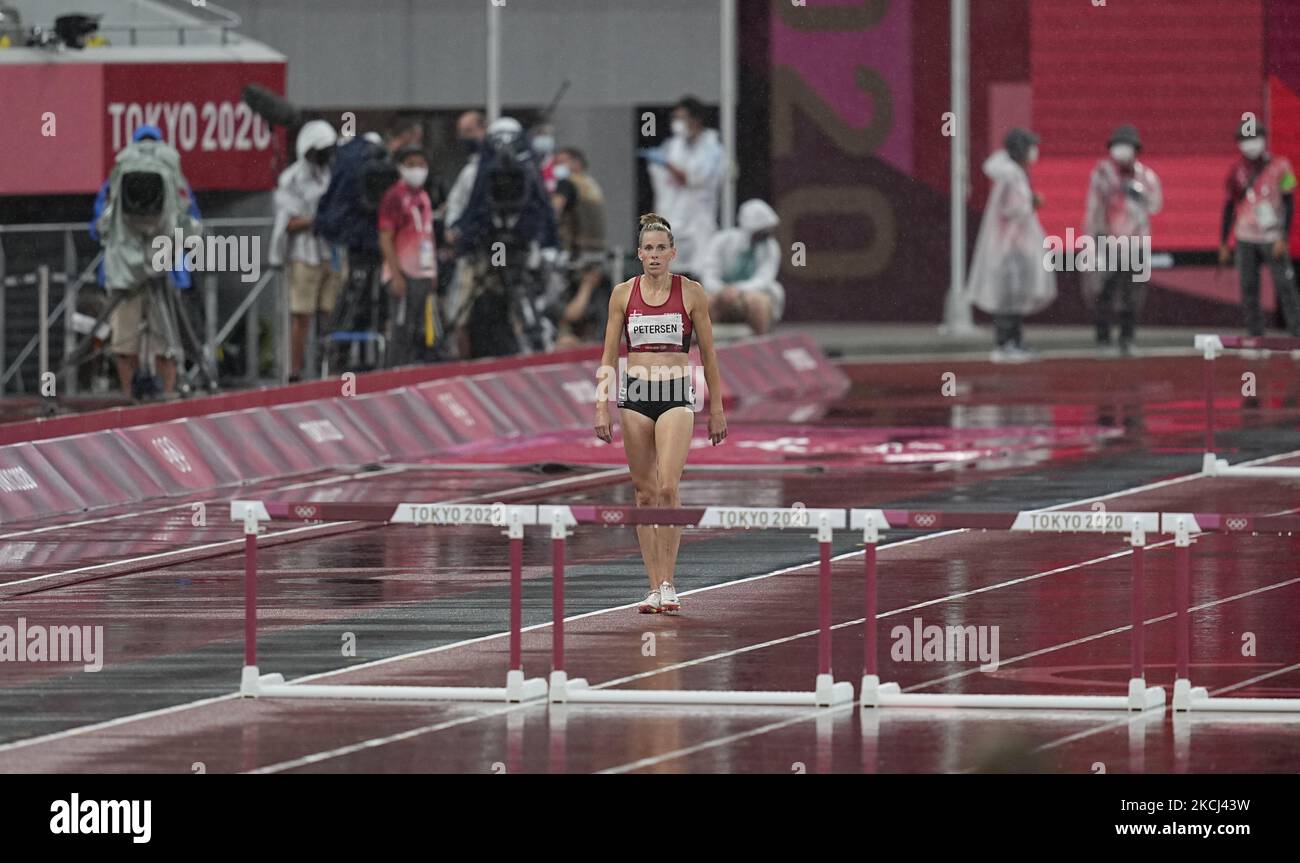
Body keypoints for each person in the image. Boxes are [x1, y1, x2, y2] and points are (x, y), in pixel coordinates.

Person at [594, 213, 728, 614]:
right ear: (639, 254)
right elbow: (607, 354)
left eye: (660, 249)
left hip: (675, 395)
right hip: (634, 393)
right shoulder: (622, 294)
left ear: (673, 253)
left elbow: (708, 353)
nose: (654, 256)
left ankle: (670, 581)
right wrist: (601, 404)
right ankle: (653, 586)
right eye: (647, 249)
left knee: (668, 487)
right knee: (644, 493)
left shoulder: (691, 293)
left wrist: (717, 407)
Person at [95, 126, 200, 397]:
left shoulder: (119, 174)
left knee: (127, 340)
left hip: (130, 271)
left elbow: (100, 225)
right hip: (157, 266)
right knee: (162, 341)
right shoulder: (172, 177)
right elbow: (190, 220)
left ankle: (132, 395)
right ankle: (165, 395)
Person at [965, 128, 1057, 362]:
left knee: (1015, 298)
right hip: (1009, 248)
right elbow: (1012, 209)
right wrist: (1031, 203)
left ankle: (1015, 341)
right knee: (1007, 298)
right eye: (1030, 147)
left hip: (1016, 246)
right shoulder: (1011, 177)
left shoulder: (1015, 174)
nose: (1034, 152)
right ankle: (1005, 343)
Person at [270, 119, 341, 381]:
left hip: (330, 252)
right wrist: (317, 220)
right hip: (304, 254)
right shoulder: (291, 179)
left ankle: (327, 369)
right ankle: (295, 372)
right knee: (302, 315)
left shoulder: (332, 175)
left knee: (330, 313)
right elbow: (287, 222)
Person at [1082, 124, 1162, 356]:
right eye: (1117, 147)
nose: (1121, 152)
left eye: (1126, 147)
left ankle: (1127, 340)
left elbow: (1156, 205)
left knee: (1133, 294)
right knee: (1104, 292)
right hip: (1107, 241)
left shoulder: (1146, 177)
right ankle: (1103, 340)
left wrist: (1139, 194)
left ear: (1136, 150)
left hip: (1135, 244)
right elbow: (1093, 208)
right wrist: (1094, 237)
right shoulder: (1102, 174)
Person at [1219, 123, 1300, 336]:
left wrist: (1283, 237)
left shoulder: (1282, 166)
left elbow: (1290, 202)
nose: (1250, 144)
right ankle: (1255, 336)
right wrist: (1224, 242)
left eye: (1254, 138)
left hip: (1273, 237)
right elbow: (1229, 207)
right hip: (1245, 238)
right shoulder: (1236, 171)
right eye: (1245, 139)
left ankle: (1298, 334)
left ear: (1264, 139)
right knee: (1248, 288)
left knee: (1286, 286)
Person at [644, 96, 724, 278]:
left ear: (696, 120)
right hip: (673, 217)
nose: (677, 123)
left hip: (699, 220)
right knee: (668, 272)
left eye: (681, 118)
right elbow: (662, 183)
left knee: (700, 272)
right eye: (675, 118)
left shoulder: (712, 149)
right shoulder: (671, 146)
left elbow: (695, 178)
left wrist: (668, 165)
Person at [378, 147, 438, 366]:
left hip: (422, 271)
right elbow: (385, 237)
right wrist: (396, 275)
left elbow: (427, 236)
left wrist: (432, 271)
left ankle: (410, 369)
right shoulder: (394, 196)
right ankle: (393, 371)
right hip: (403, 272)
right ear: (401, 167)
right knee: (400, 327)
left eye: (422, 165)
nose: (418, 170)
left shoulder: (423, 197)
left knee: (417, 327)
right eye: (411, 164)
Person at [550, 146, 608, 347]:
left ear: (577, 163)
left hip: (574, 258)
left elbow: (553, 213)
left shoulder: (567, 184)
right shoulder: (592, 186)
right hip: (595, 257)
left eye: (562, 161)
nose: (557, 166)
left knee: (565, 315)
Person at [700, 198, 783, 334]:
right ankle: (703, 347)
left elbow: (764, 279)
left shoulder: (771, 247)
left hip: (751, 292)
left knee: (758, 303)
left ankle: (761, 343)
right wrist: (722, 290)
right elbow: (709, 274)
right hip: (719, 291)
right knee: (701, 303)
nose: (766, 234)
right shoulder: (721, 241)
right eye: (761, 230)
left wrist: (738, 290)